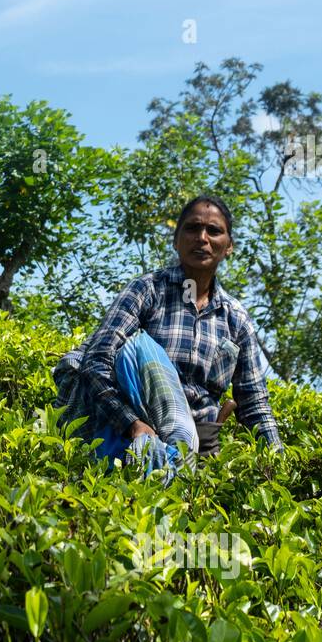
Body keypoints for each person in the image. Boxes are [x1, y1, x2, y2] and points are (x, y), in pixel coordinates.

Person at [53, 193, 285, 485]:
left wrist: (279, 468)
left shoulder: (235, 319)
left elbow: (254, 404)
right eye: (192, 228)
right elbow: (97, 360)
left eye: (214, 231)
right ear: (176, 240)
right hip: (131, 436)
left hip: (197, 452)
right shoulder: (147, 291)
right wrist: (132, 424)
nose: (202, 237)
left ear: (229, 247)